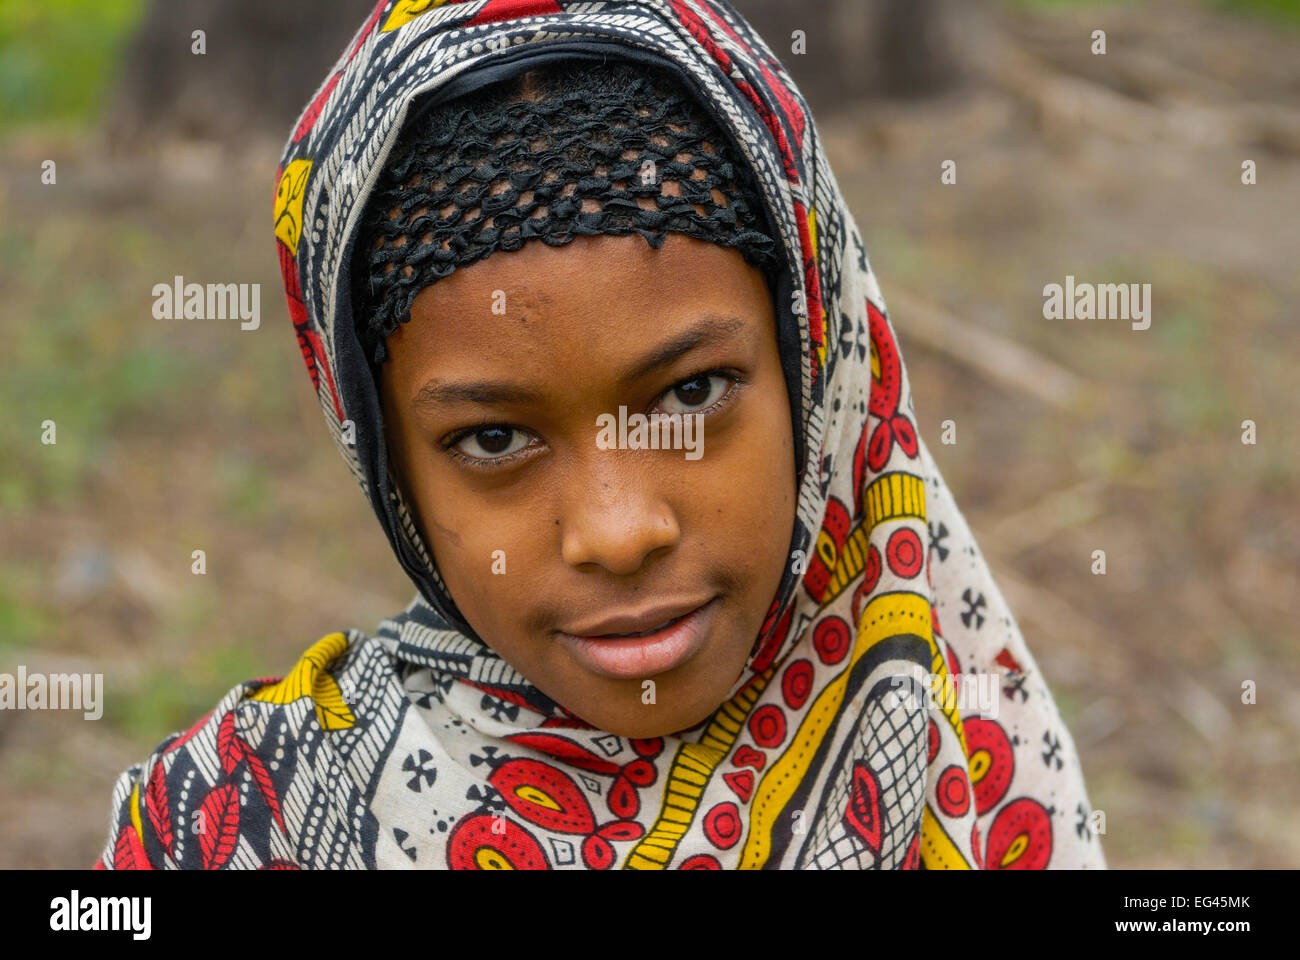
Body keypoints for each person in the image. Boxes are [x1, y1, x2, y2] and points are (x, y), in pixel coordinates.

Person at [95, 0, 1106, 870]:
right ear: (387, 460)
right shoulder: (240, 826)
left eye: (692, 393)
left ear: (817, 370)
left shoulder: (965, 763)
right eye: (494, 441)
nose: (618, 532)